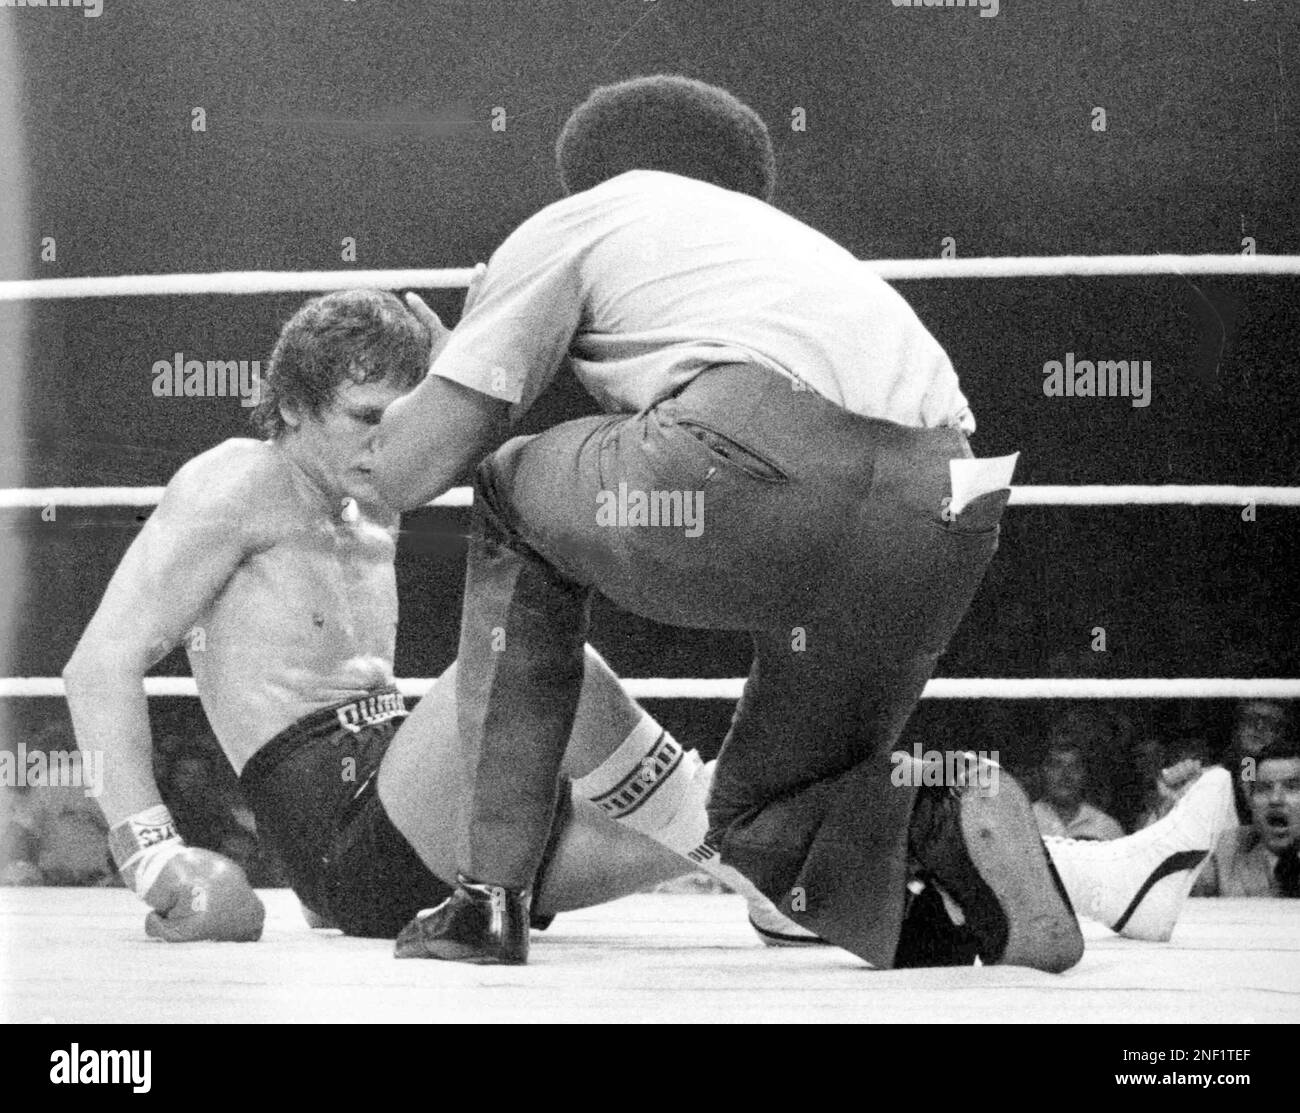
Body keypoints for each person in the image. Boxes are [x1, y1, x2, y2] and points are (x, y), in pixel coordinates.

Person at [371, 74, 1085, 970]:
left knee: (510, 497)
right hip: (948, 499)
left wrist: (460, 363)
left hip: (750, 457)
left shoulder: (586, 216)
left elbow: (409, 469)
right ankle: (935, 817)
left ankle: (489, 899)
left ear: (587, 171)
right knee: (756, 820)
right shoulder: (794, 249)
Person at [60, 287, 804, 945]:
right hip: (346, 842)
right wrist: (150, 850)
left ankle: (777, 874)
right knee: (547, 660)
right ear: (291, 405)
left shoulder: (377, 491)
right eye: (362, 417)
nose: (385, 438)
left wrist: (471, 372)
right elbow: (100, 662)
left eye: (402, 417)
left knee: (733, 813)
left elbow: (518, 483)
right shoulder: (237, 481)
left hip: (418, 822)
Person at [1193, 738, 1300, 898]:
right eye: (1264, 788)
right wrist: (1170, 812)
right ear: (1250, 801)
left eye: (1291, 787)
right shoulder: (1224, 852)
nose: (1275, 799)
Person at [1033, 728, 1126, 842]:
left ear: (1085, 774)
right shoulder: (1026, 820)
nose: (1065, 775)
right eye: (1057, 766)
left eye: (1074, 767)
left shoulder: (1107, 828)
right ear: (1044, 771)